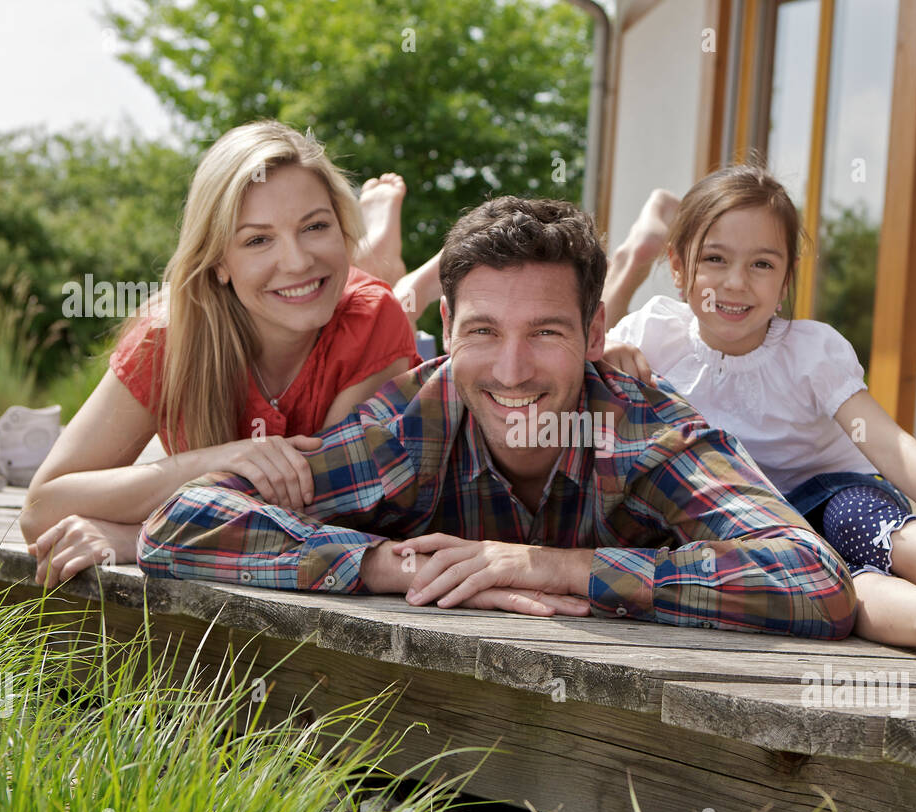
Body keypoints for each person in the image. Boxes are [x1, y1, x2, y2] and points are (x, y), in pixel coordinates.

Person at [137, 196, 860, 637]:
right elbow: (180, 523)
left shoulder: (647, 428)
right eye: (483, 332)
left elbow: (814, 585)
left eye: (546, 333)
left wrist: (555, 569)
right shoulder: (410, 423)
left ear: (596, 333)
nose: (511, 371)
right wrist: (389, 567)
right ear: (446, 325)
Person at [601, 166, 916, 685]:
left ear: (785, 280)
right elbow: (574, 365)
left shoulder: (810, 352)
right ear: (678, 266)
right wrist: (601, 357)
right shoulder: (652, 333)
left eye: (762, 263)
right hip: (744, 521)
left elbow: (891, 444)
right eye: (715, 259)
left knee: (863, 524)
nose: (736, 282)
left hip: (828, 494)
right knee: (839, 586)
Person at [20, 120, 426, 587]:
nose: (294, 258)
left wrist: (137, 537)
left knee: (387, 294)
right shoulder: (169, 334)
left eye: (315, 226)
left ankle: (382, 256)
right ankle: (377, 250)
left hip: (384, 337)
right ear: (218, 261)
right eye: (257, 239)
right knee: (315, 281)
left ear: (339, 228)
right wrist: (218, 459)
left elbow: (335, 515)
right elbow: (40, 509)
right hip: (310, 297)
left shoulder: (372, 320)